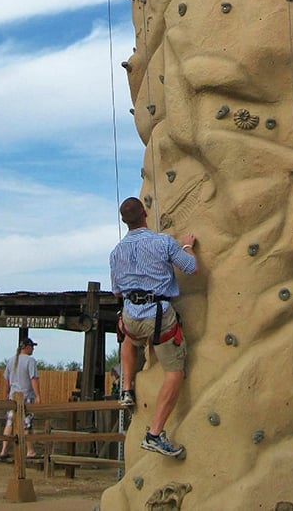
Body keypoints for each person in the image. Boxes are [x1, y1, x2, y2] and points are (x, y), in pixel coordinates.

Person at [109, 196, 197, 458]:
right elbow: (191, 268)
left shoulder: (116, 252)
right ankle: (155, 433)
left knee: (127, 335)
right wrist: (188, 246)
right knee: (175, 372)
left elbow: (116, 291)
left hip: (132, 316)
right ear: (145, 213)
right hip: (159, 318)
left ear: (124, 221)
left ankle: (126, 389)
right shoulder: (163, 242)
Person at [0, 338, 41, 460]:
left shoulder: (11, 361)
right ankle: (30, 450)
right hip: (26, 396)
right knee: (27, 424)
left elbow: (6, 380)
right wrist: (38, 395)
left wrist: (6, 393)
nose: (33, 349)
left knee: (10, 422)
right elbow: (34, 379)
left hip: (13, 396)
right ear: (27, 347)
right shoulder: (30, 361)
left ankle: (3, 450)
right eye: (32, 346)